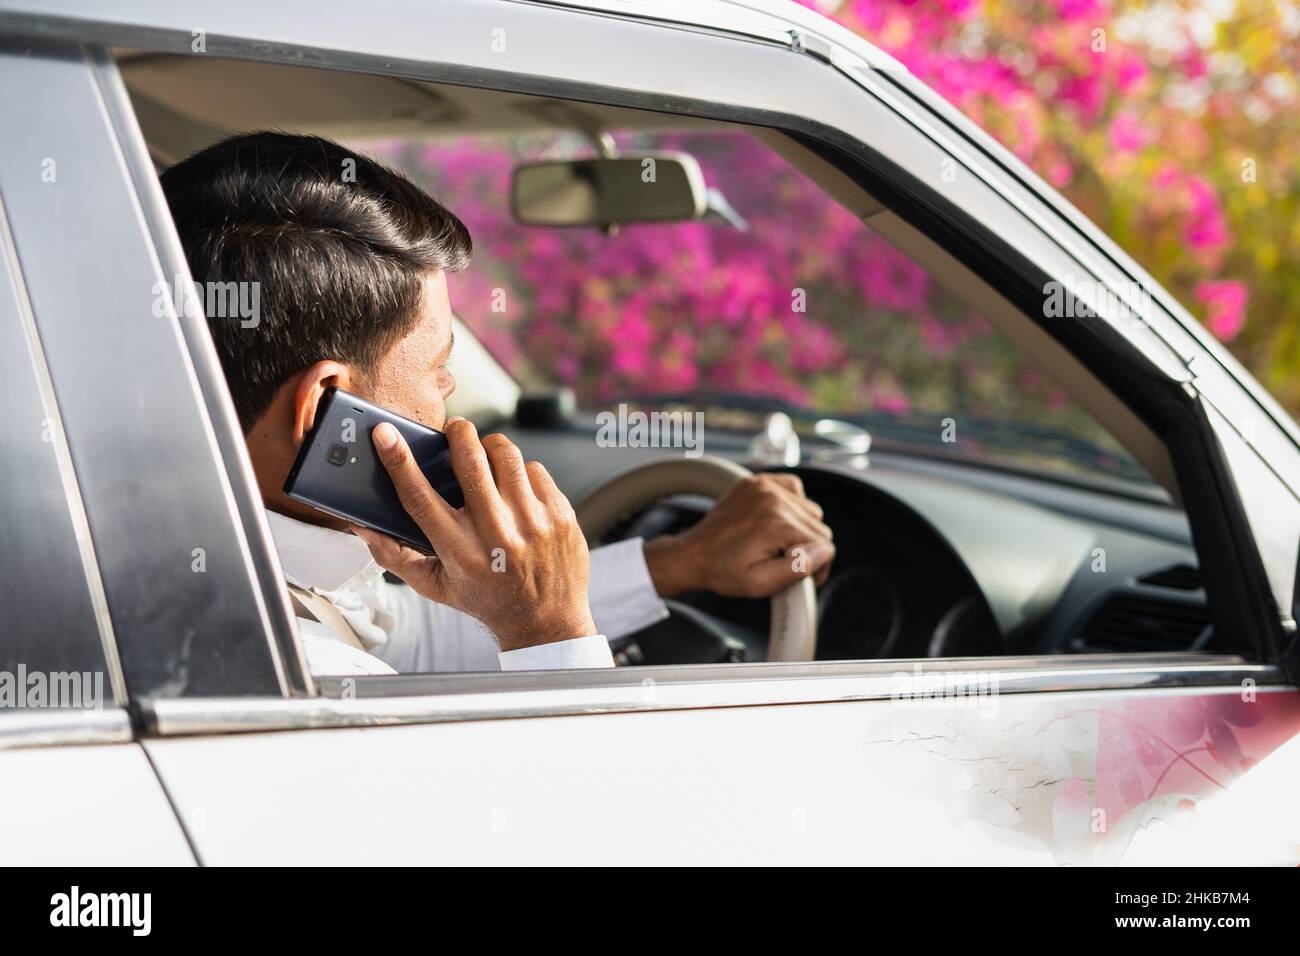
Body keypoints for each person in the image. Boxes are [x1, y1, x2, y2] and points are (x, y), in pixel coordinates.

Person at [161, 132, 835, 676]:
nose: (452, 400)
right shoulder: (299, 678)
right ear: (327, 407)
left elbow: (406, 644)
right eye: (438, 368)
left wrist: (678, 563)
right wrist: (552, 631)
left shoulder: (220, 545)